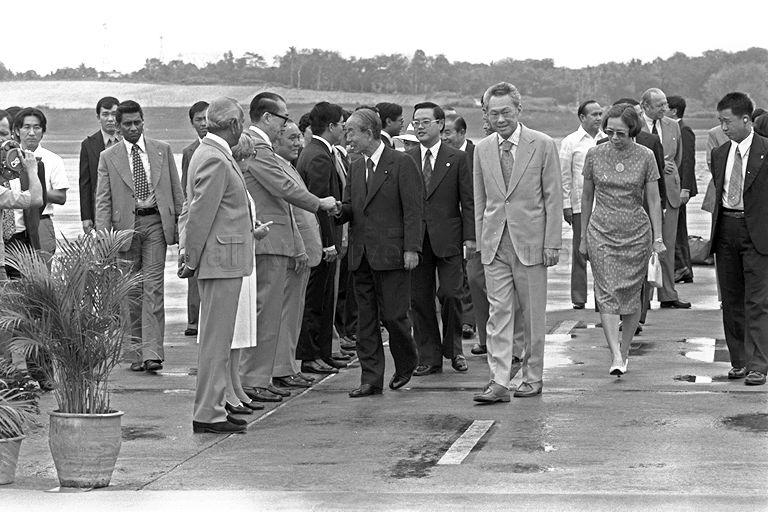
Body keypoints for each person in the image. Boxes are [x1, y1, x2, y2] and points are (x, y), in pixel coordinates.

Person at [237, 92, 339, 402]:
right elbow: (284, 188)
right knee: (265, 316)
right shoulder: (257, 148)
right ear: (267, 118)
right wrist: (319, 202)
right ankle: (254, 379)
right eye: (282, 119)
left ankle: (264, 375)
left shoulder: (263, 149)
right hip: (267, 241)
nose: (285, 126)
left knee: (271, 316)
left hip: (277, 240)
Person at [472, 82, 562, 403]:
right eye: (493, 113)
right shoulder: (482, 149)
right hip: (495, 244)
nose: (499, 119)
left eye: (505, 112)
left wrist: (553, 243)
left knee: (532, 314)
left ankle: (532, 376)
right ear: (486, 114)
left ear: (518, 110)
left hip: (532, 244)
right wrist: (482, 243)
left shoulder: (543, 144)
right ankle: (498, 380)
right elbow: (480, 200)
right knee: (498, 314)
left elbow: (553, 197)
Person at [335, 107, 424, 397]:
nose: (347, 137)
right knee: (366, 321)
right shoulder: (356, 165)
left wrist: (412, 248)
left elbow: (413, 209)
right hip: (361, 256)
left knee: (396, 317)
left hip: (393, 254)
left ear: (368, 133)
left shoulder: (401, 163)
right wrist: (338, 210)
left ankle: (406, 361)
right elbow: (351, 205)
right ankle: (370, 378)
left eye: (351, 131)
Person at [178, 97, 253, 434]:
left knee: (220, 341)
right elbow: (198, 215)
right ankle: (208, 411)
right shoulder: (214, 158)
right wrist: (189, 258)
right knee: (215, 341)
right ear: (235, 125)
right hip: (220, 261)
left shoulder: (210, 153)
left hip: (225, 259)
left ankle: (216, 404)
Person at [95, 100, 184, 373]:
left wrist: (184, 232)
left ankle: (152, 353)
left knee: (154, 287)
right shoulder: (108, 157)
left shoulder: (162, 150)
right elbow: (103, 201)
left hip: (156, 223)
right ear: (118, 127)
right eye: (127, 124)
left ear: (144, 121)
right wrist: (104, 237)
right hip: (125, 229)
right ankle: (135, 351)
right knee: (131, 292)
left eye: (137, 123)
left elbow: (177, 192)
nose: (133, 128)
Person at [580, 104, 665, 376]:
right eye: (609, 132)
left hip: (636, 233)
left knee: (630, 295)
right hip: (601, 232)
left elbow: (653, 199)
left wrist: (658, 238)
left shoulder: (646, 156)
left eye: (621, 134)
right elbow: (586, 197)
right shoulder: (594, 154)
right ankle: (614, 354)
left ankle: (625, 350)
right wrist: (582, 237)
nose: (615, 138)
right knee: (605, 293)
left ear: (632, 131)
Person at [406, 102, 473, 376]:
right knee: (419, 300)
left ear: (440, 124)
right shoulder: (406, 158)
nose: (420, 127)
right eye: (416, 122)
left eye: (425, 122)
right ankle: (429, 357)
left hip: (449, 239)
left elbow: (467, 200)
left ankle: (454, 349)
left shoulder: (456, 158)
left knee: (450, 294)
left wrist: (471, 237)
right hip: (416, 241)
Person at [710, 92, 768, 386]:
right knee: (731, 300)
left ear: (746, 119)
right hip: (726, 232)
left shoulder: (765, 150)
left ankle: (759, 364)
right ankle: (739, 361)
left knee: (757, 301)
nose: (723, 127)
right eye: (720, 122)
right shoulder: (719, 154)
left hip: (757, 233)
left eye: (727, 121)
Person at [271, 122, 323, 389]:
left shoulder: (288, 165)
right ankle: (282, 368)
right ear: (276, 139)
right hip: (294, 251)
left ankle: (288, 365)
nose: (298, 143)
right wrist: (297, 247)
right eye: (291, 138)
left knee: (295, 312)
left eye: (298, 138)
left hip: (303, 251)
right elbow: (287, 213)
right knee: (287, 313)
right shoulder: (275, 168)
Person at [295, 102, 345, 373]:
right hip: (319, 240)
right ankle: (311, 354)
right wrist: (328, 243)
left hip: (323, 238)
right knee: (316, 300)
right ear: (330, 126)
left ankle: (323, 352)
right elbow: (319, 205)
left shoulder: (319, 152)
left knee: (325, 300)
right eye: (341, 124)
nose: (344, 128)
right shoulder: (318, 156)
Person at [640, 88, 690, 310]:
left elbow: (677, 158)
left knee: (667, 245)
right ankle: (642, 298)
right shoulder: (633, 124)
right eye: (659, 105)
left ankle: (668, 294)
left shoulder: (672, 126)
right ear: (646, 106)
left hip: (669, 192)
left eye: (665, 104)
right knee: (643, 246)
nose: (665, 108)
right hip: (642, 192)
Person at [559, 100, 605, 310]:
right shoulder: (571, 142)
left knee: (603, 254)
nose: (598, 118)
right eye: (594, 114)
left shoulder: (607, 139)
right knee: (580, 251)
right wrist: (566, 204)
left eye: (600, 114)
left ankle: (602, 297)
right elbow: (564, 176)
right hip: (580, 206)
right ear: (582, 117)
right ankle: (578, 297)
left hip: (604, 205)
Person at [13, 108, 69, 259]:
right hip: (13, 224)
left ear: (43, 131)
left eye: (36, 127)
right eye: (26, 127)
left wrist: (31, 192)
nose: (31, 132)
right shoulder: (8, 159)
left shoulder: (53, 159)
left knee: (42, 275)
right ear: (17, 131)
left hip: (42, 221)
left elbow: (60, 196)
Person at [443, 113, 479, 340]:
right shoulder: (441, 154)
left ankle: (469, 321)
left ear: (462, 133)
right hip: (448, 224)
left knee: (472, 276)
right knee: (455, 278)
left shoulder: (476, 154)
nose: (444, 137)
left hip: (472, 221)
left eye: (448, 132)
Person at [180, 100, 209, 338]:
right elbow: (185, 189)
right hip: (195, 211)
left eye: (207, 118)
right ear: (192, 123)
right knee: (193, 266)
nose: (204, 123)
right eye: (199, 119)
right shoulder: (190, 152)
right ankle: (193, 319)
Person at [666, 95, 698, 284]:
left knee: (677, 229)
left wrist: (685, 188)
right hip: (675, 187)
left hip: (679, 188)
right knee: (679, 229)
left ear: (674, 111)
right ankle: (685, 269)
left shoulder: (683, 129)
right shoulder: (674, 128)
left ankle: (682, 267)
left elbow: (688, 161)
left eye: (665, 107)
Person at [79, 96, 120, 234]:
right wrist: (86, 217)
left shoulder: (127, 142)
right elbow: (85, 183)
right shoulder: (88, 145)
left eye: (114, 114)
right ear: (98, 117)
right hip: (100, 209)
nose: (110, 119)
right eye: (105, 114)